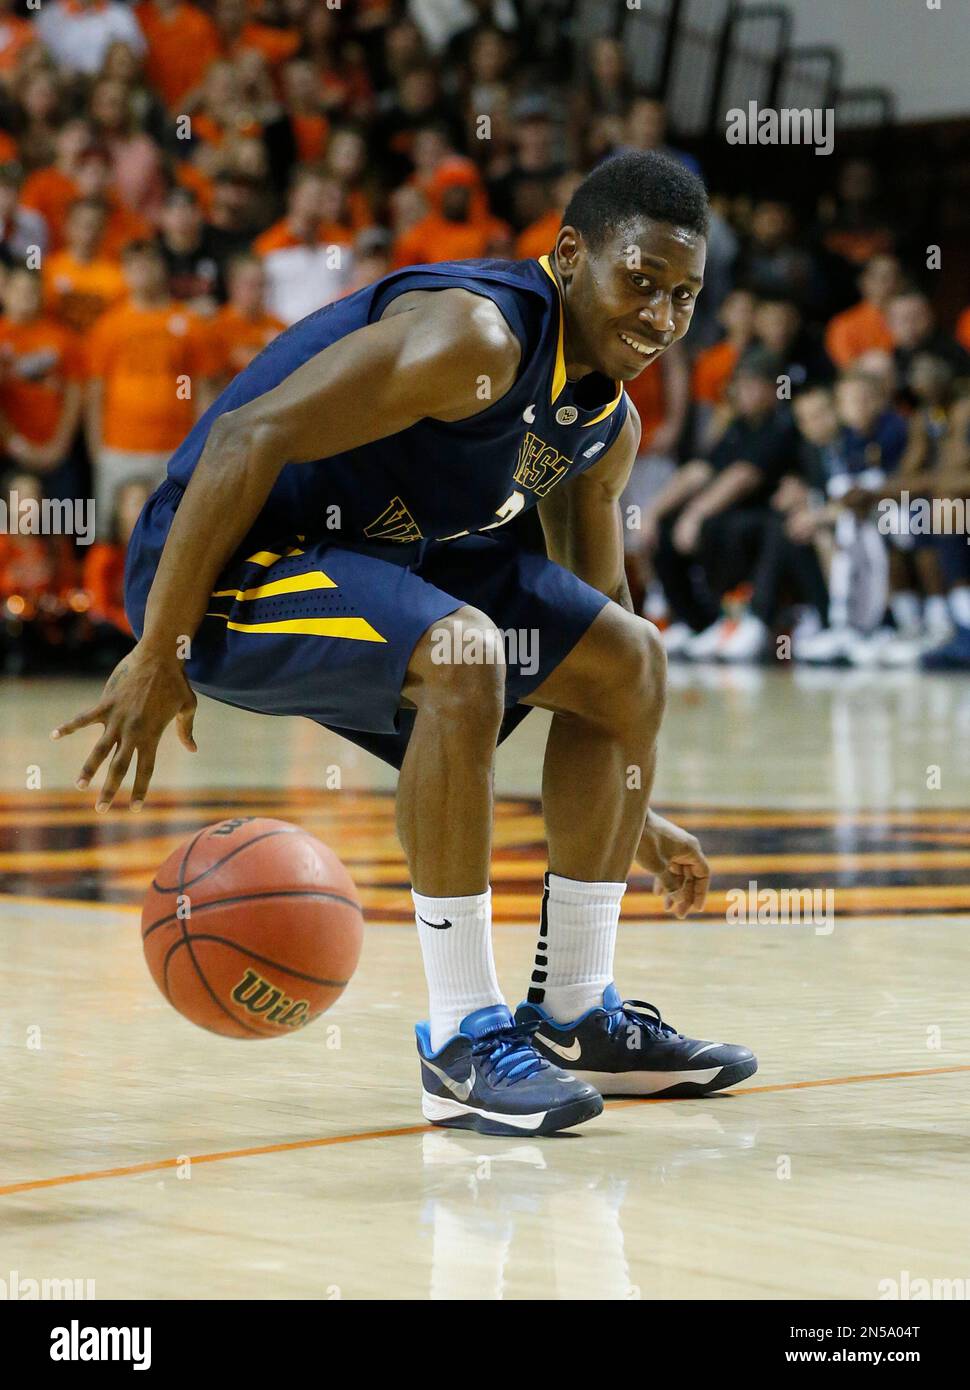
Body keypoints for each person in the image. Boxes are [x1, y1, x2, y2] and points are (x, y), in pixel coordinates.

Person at [54, 151, 756, 1137]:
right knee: (464, 655)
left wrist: (634, 808)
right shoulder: (471, 334)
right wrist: (157, 649)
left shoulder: (609, 423)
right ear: (569, 255)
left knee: (629, 655)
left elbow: (599, 633)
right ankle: (462, 1036)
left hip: (390, 558)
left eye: (683, 296)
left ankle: (571, 1015)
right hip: (223, 563)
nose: (660, 315)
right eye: (640, 280)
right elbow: (242, 440)